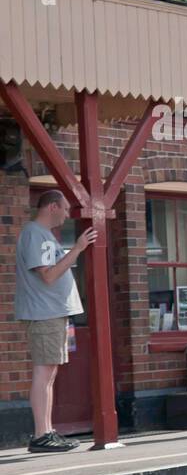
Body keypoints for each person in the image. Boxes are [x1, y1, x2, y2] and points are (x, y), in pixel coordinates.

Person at [15, 190, 96, 452]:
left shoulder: (44, 235)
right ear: (51, 207)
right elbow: (48, 276)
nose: (66, 214)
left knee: (49, 373)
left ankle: (47, 431)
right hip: (44, 313)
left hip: (52, 313)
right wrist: (79, 249)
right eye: (64, 208)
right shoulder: (34, 234)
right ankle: (41, 435)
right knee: (44, 372)